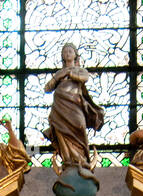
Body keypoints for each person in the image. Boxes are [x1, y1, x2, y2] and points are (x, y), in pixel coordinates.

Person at [43, 42, 104, 171]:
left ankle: (82, 159)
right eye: (65, 51)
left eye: (70, 51)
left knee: (80, 126)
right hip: (60, 107)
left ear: (76, 55)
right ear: (62, 56)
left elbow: (84, 78)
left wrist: (70, 74)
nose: (68, 53)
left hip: (75, 104)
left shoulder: (80, 70)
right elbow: (47, 88)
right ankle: (68, 160)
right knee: (61, 132)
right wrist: (57, 77)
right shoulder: (59, 73)